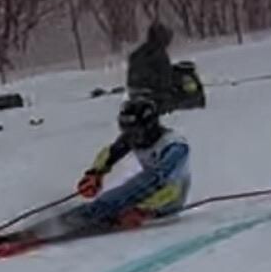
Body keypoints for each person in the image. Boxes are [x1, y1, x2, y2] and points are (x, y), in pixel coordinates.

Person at [16, 93, 191, 247]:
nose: (131, 137)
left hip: (169, 200)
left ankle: (81, 219)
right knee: (112, 199)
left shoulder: (174, 147)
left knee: (122, 194)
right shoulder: (137, 137)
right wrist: (94, 174)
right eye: (127, 130)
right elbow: (111, 153)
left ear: (149, 126)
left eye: (135, 132)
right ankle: (58, 224)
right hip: (149, 192)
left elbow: (169, 186)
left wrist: (144, 210)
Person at [127, 22, 206, 111]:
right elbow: (165, 81)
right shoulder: (160, 54)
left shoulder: (139, 52)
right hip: (156, 96)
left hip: (134, 93)